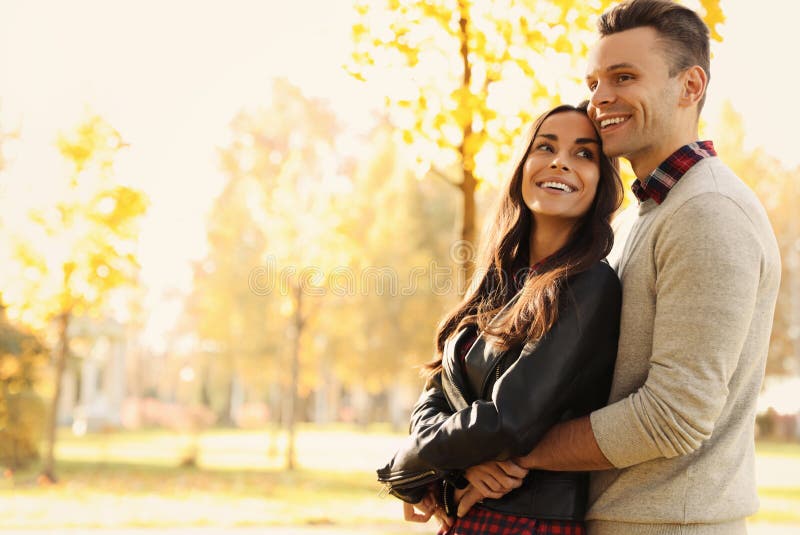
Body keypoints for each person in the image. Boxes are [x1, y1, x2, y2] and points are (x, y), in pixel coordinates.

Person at [456, 2, 782, 534]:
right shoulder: (644, 214)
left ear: (690, 86)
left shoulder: (709, 212)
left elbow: (673, 416)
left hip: (671, 523)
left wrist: (511, 451)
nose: (600, 97)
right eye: (594, 80)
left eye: (624, 77)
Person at [377, 101, 625, 534]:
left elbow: (508, 421)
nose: (560, 162)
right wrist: (458, 471)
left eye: (584, 153)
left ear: (601, 182)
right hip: (468, 512)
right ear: (524, 164)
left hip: (528, 521)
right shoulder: (499, 279)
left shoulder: (589, 285)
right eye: (545, 147)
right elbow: (438, 393)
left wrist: (406, 466)